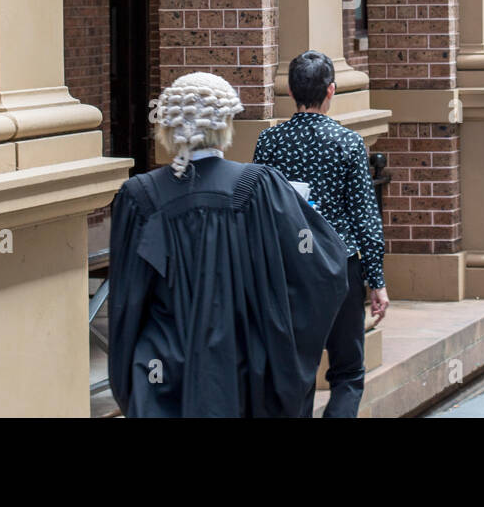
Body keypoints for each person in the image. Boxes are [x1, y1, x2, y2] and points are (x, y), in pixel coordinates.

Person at [108, 72, 350, 417]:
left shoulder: (139, 197)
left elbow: (127, 302)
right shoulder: (258, 187)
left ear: (167, 125)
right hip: (242, 368)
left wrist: (130, 381)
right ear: (225, 124)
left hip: (161, 372)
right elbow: (320, 267)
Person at [254, 50, 388, 418]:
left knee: (296, 370)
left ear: (291, 92)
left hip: (290, 270)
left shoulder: (269, 142)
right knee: (348, 371)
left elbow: (259, 208)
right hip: (339, 267)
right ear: (331, 90)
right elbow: (365, 218)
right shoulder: (348, 142)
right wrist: (376, 281)